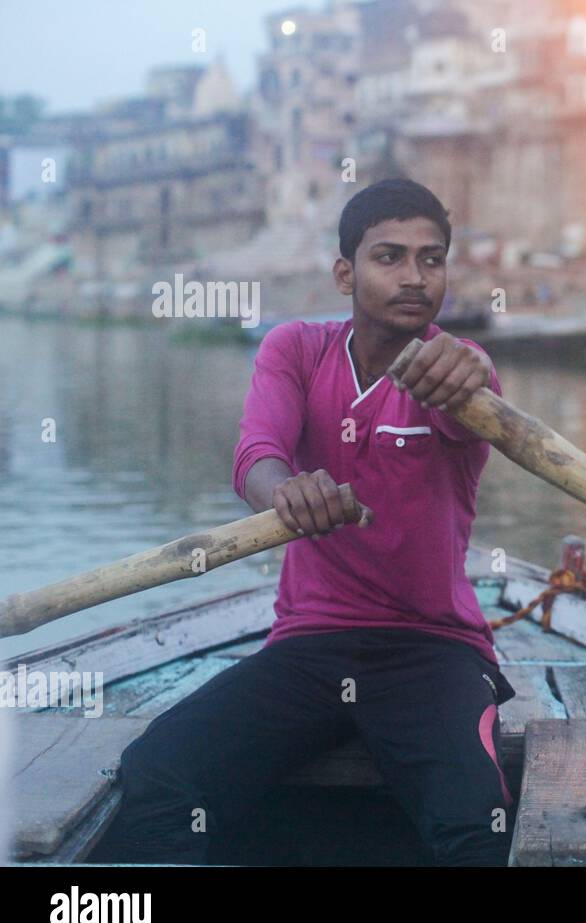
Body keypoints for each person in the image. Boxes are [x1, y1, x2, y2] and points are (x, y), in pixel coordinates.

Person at [95, 179, 516, 866]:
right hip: (309, 643)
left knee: (476, 826)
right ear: (344, 272)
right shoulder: (295, 348)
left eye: (431, 259)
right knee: (160, 777)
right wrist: (285, 493)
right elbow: (256, 456)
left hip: (434, 648)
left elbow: (470, 382)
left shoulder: (454, 373)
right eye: (390, 256)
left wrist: (468, 368)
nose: (414, 276)